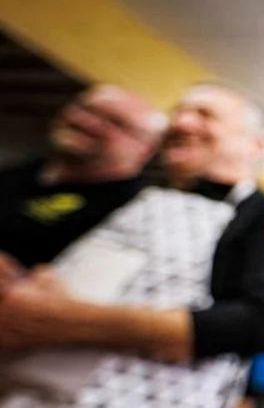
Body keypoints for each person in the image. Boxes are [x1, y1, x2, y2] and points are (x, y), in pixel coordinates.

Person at [0, 83, 264, 408]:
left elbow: (261, 323)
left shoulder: (262, 216)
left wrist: (67, 321)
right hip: (18, 403)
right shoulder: (135, 197)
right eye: (179, 111)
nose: (180, 122)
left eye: (204, 115)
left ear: (254, 144)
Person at [0, 84, 162, 285]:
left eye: (114, 122)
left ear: (146, 150)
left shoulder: (137, 211)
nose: (87, 122)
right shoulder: (23, 170)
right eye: (85, 108)